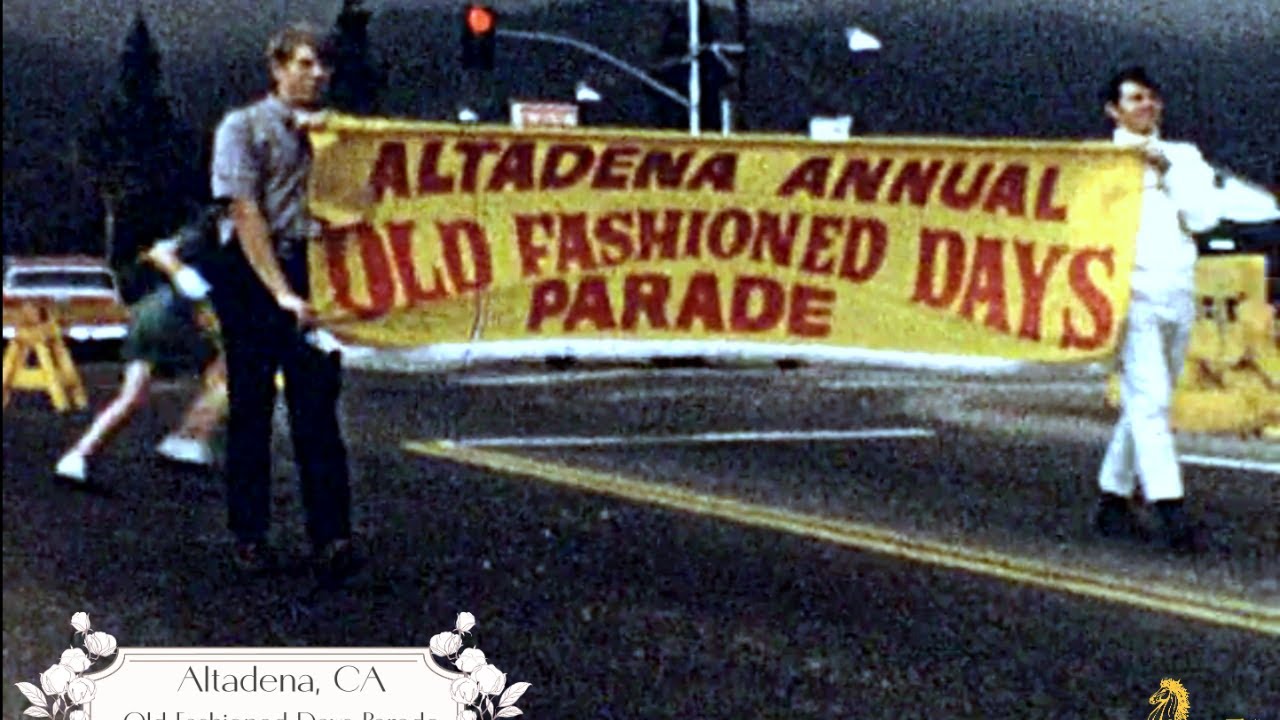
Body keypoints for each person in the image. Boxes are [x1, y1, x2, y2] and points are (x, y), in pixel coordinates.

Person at [209, 22, 358, 585]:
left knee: (317, 408)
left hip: (316, 267)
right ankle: (250, 535)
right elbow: (244, 213)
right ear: (276, 68)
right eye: (303, 64)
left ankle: (332, 537)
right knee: (251, 407)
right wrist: (280, 292)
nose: (316, 74)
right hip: (253, 272)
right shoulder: (242, 128)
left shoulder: (342, 135)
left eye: (323, 65)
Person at [1093, 66, 1222, 552]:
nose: (1146, 105)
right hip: (1130, 296)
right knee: (1151, 402)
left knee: (1149, 398)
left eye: (1151, 96)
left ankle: (1111, 499)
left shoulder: (1184, 157)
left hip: (1178, 292)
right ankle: (1170, 509)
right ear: (1113, 110)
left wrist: (1168, 172)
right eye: (1134, 98)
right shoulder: (1100, 163)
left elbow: (1204, 218)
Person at [55, 231, 227, 483]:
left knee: (133, 395)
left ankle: (79, 456)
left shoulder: (204, 236)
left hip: (154, 314)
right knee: (231, 373)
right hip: (173, 318)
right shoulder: (215, 237)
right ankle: (188, 438)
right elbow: (162, 255)